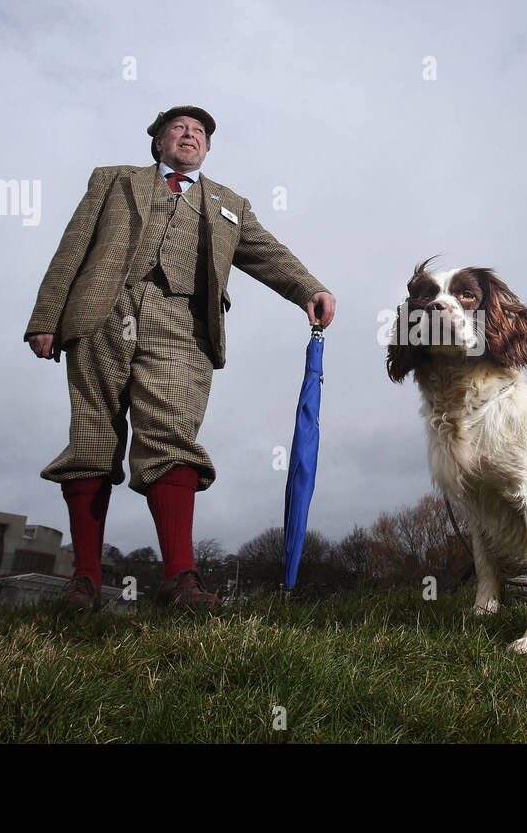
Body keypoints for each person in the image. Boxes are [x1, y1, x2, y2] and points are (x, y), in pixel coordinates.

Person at [24, 105, 335, 609]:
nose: (189, 136)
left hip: (182, 324)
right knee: (92, 435)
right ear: (158, 143)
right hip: (102, 313)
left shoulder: (229, 203)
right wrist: (45, 318)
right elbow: (72, 248)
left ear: (207, 149)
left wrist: (309, 289)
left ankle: (180, 578)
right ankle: (84, 580)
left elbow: (267, 253)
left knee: (171, 435)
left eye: (199, 133)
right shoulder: (114, 180)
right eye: (178, 130)